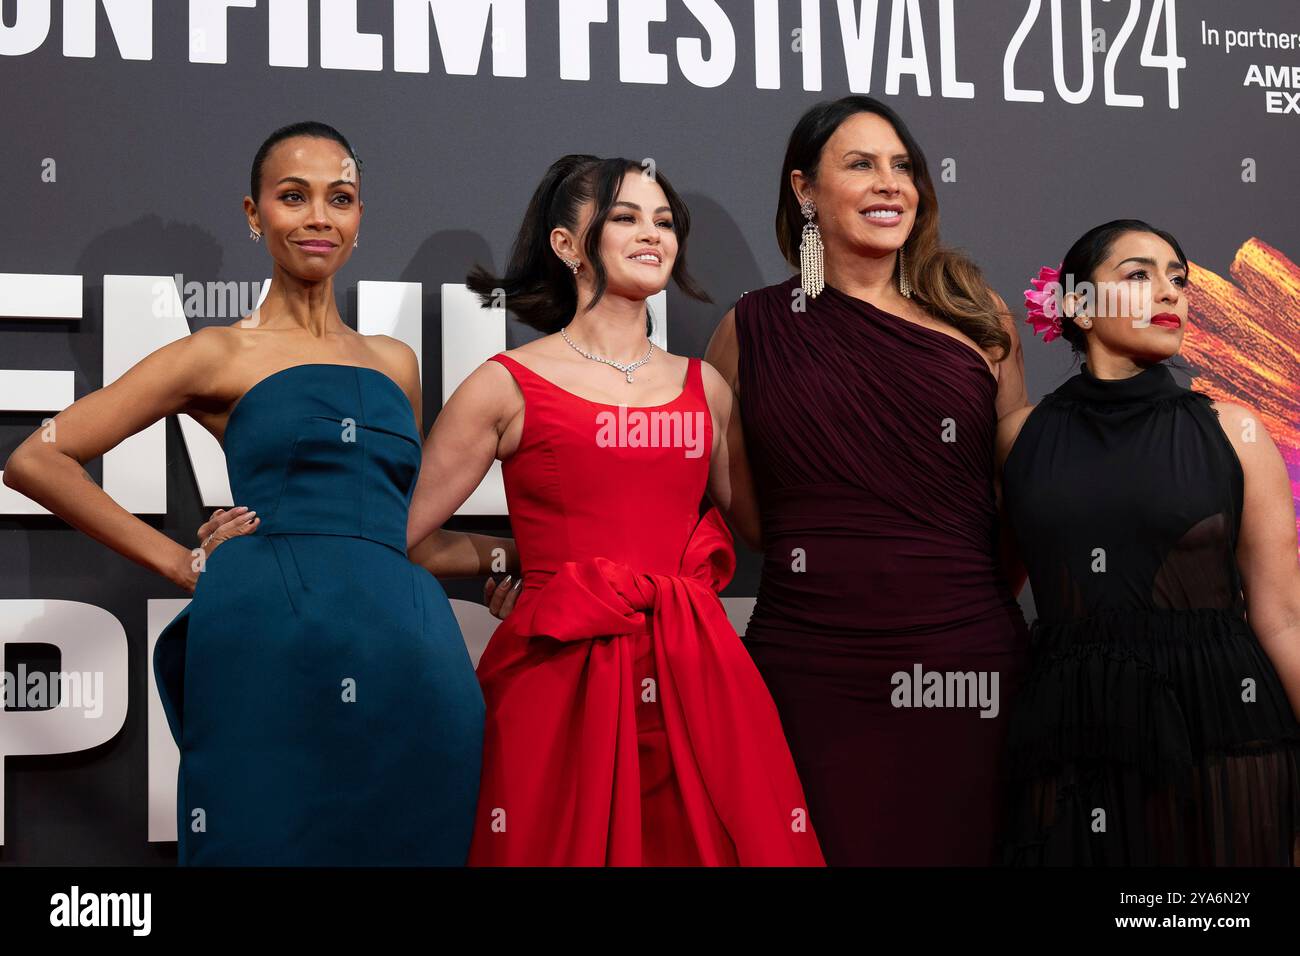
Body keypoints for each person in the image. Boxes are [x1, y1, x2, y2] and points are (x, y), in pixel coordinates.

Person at [5, 121, 487, 865]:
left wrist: (507, 562)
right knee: (262, 836)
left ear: (360, 218)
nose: (319, 216)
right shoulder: (218, 352)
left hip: (409, 649)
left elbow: (404, 534)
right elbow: (38, 460)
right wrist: (179, 564)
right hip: (273, 640)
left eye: (341, 197)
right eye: (294, 197)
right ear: (254, 214)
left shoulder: (396, 362)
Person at [405, 154, 824, 865]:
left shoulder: (706, 389)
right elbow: (405, 535)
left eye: (664, 221)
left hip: (696, 673)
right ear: (566, 244)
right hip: (560, 677)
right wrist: (525, 567)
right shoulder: (506, 385)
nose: (652, 233)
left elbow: (761, 532)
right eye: (626, 217)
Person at [705, 95, 1031, 865]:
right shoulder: (749, 326)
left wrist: (964, 597)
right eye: (860, 164)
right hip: (810, 668)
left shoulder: (976, 316)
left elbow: (1025, 492)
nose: (890, 184)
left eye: (903, 167)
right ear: (804, 190)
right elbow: (748, 513)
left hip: (966, 663)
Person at [998, 219, 1300, 865]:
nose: (1170, 293)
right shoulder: (1020, 435)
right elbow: (994, 587)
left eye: (1179, 279)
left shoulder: (1236, 430)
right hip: (1070, 721)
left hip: (1223, 716)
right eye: (1139, 275)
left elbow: (1283, 616)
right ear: (1076, 303)